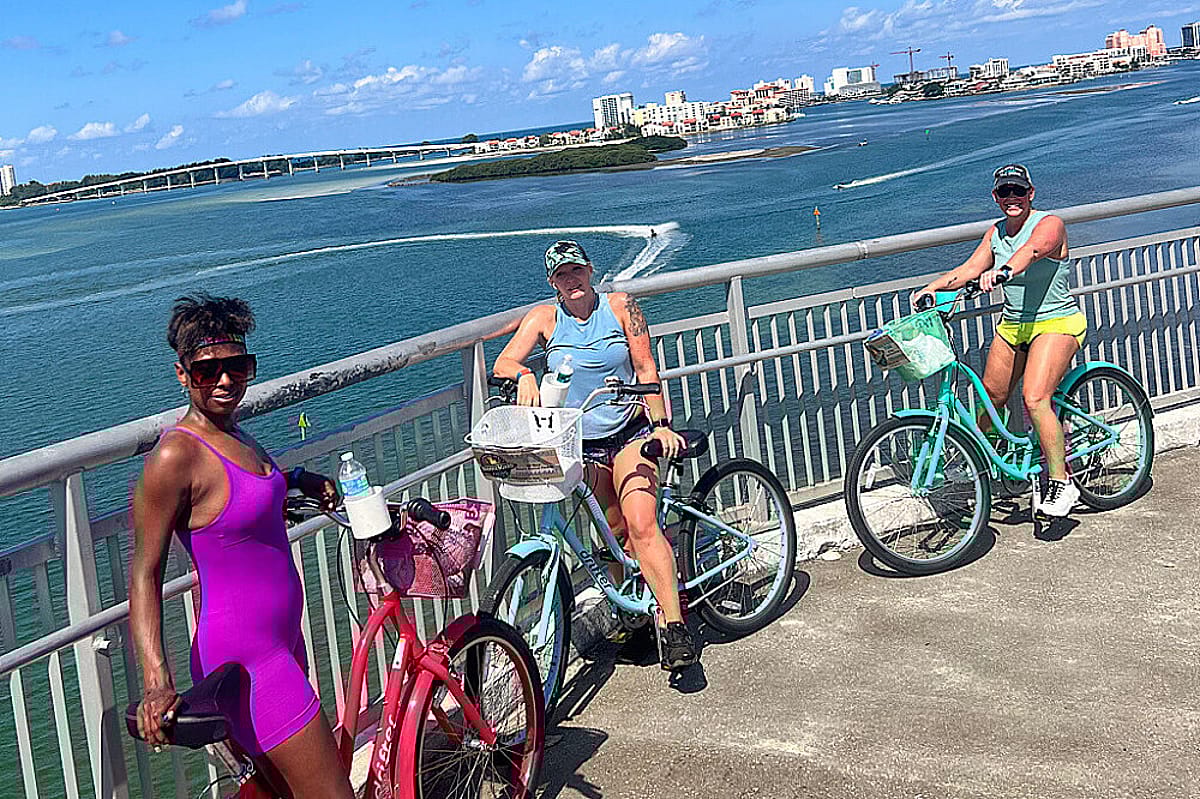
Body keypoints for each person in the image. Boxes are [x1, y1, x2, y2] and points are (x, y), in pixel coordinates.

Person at [129, 294, 354, 798]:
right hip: (247, 660)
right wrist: (155, 681)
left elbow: (254, 491)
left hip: (283, 641)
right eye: (208, 371)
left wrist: (298, 478)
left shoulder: (236, 432)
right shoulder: (175, 456)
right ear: (182, 374)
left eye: (238, 366)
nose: (226, 380)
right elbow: (144, 574)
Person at [493, 240, 698, 670]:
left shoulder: (621, 306)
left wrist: (661, 424)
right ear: (552, 282)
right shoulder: (544, 318)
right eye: (562, 275)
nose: (572, 281)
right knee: (615, 533)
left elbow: (646, 369)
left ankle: (675, 627)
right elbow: (502, 363)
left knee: (642, 525)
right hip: (580, 444)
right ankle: (635, 620)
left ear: (590, 270)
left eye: (576, 271)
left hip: (629, 432)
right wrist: (525, 374)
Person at [914, 164, 1086, 517]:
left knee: (1035, 398)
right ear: (995, 197)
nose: (1012, 198)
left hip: (1056, 322)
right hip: (1014, 326)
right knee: (991, 398)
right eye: (1005, 192)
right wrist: (932, 287)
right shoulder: (995, 233)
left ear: (1031, 193)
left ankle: (1061, 482)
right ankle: (982, 464)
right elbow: (969, 270)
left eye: (1018, 191)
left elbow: (1035, 251)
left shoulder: (1049, 223)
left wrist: (1006, 270)